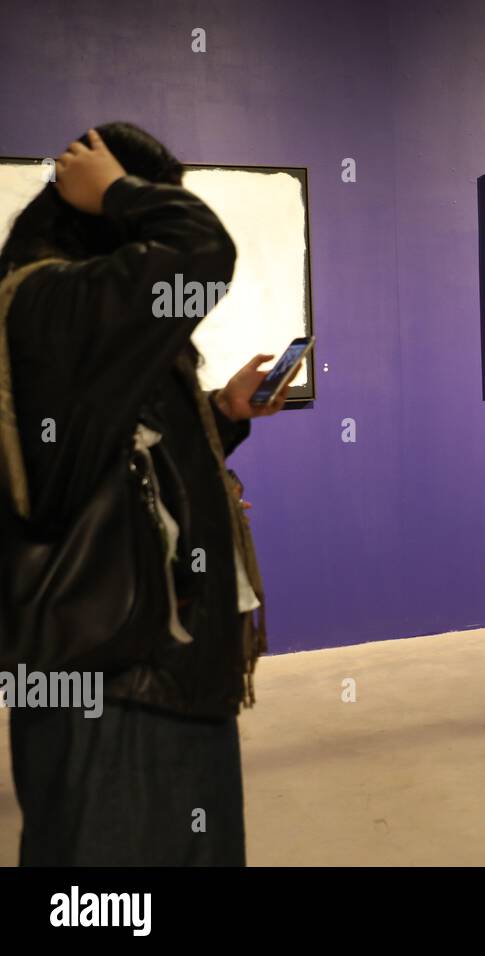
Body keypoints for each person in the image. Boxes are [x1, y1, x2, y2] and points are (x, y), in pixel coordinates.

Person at [0, 123, 294, 864]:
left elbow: (99, 455)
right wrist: (122, 191)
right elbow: (204, 255)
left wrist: (222, 417)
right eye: (148, 202)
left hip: (147, 668)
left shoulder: (78, 316)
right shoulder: (54, 301)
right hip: (116, 675)